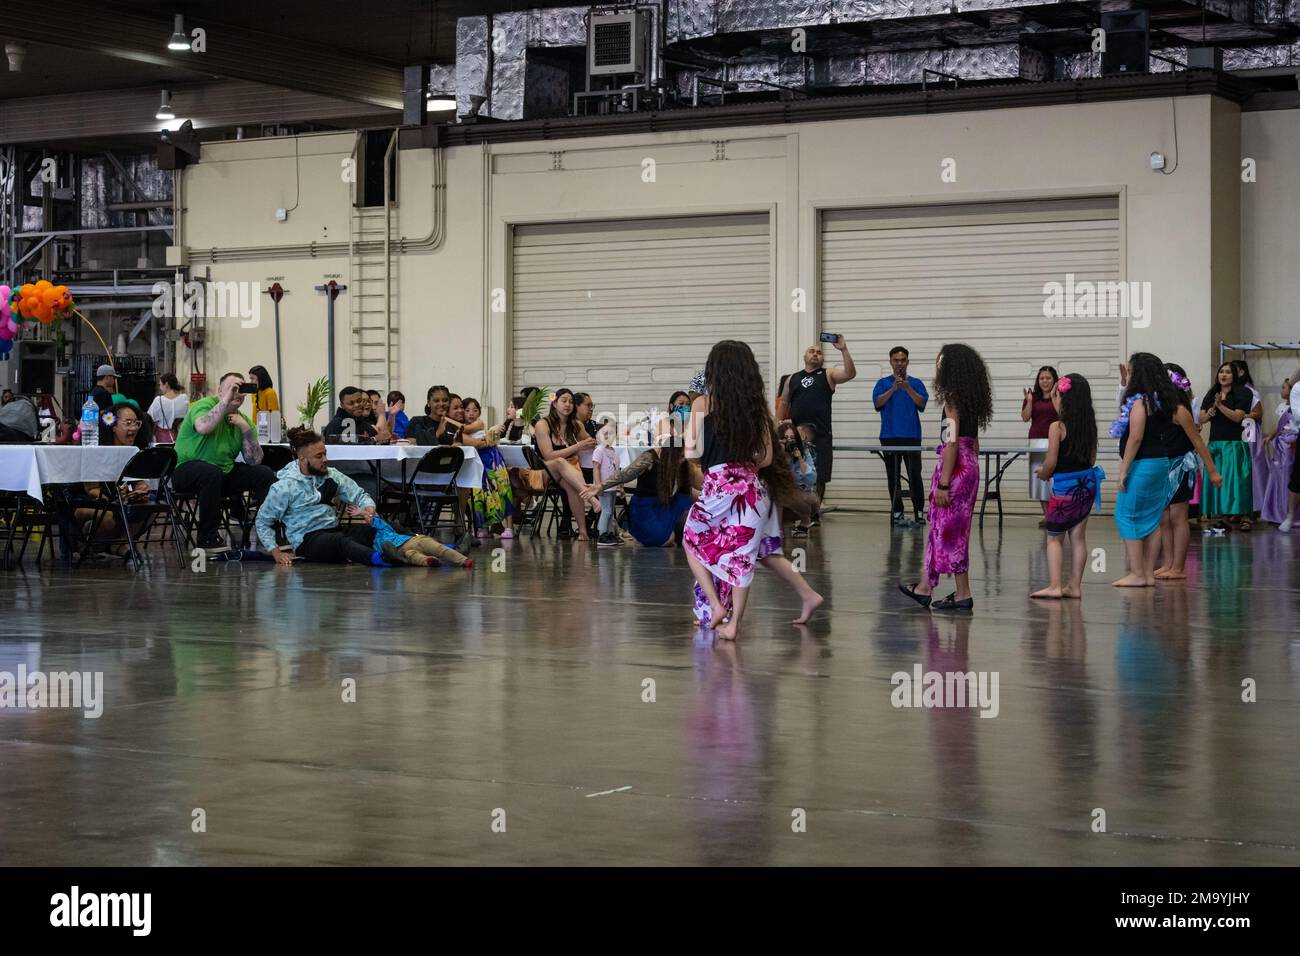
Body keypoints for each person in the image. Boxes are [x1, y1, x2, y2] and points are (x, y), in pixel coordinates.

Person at [683, 340, 823, 640]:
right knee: (762, 550)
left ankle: (725, 615)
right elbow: (768, 458)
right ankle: (808, 595)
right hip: (754, 490)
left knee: (693, 540)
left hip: (719, 487)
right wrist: (744, 463)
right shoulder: (757, 409)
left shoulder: (702, 404)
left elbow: (691, 454)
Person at [255, 426, 471, 568]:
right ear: (302, 459)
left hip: (333, 529)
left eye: (325, 454)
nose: (325, 460)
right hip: (307, 541)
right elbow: (263, 521)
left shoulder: (331, 475)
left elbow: (358, 494)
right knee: (343, 542)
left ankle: (447, 551)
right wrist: (275, 552)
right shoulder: (283, 487)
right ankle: (384, 560)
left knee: (385, 528)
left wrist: (368, 508)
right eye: (319, 456)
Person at [899, 343, 992, 612]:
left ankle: (936, 589)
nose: (937, 366)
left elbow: (951, 444)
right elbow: (973, 444)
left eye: (940, 362)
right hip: (970, 466)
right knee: (954, 531)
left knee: (944, 528)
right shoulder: (971, 400)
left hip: (955, 467)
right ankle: (943, 590)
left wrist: (944, 482)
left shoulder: (953, 401)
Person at [172, 371, 277, 554]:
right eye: (232, 388)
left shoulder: (242, 420)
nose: (237, 393)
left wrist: (245, 429)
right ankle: (207, 538)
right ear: (220, 392)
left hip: (221, 474)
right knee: (210, 472)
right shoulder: (204, 405)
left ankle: (272, 530)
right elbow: (203, 427)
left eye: (241, 389)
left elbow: (255, 460)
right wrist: (226, 401)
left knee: (264, 473)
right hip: (186, 469)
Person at [584, 397, 699, 548]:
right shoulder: (650, 458)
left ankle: (681, 532)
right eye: (681, 456)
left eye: (685, 456)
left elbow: (698, 486)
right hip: (645, 509)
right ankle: (646, 532)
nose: (683, 460)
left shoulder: (682, 465)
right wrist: (601, 486)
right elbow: (626, 473)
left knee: (687, 499)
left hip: (663, 506)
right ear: (669, 454)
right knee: (667, 539)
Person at [1109, 352, 1183, 587]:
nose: (1128, 375)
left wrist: (1123, 470)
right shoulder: (1162, 399)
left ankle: (1138, 572)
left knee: (1125, 514)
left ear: (1139, 374)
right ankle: (1148, 574)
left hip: (1143, 464)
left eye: (1131, 371)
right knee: (1152, 518)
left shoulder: (1141, 401)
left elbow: (1136, 437)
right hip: (1160, 462)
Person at [1031, 374, 1100, 599]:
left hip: (1064, 488)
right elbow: (1091, 460)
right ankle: (1074, 586)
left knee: (1054, 538)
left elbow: (1050, 462)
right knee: (1078, 538)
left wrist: (1043, 473)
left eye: (1056, 396)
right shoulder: (1090, 427)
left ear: (1064, 399)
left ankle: (1054, 586)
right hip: (1087, 484)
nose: (1053, 400)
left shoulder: (1056, 427)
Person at [778, 335, 856, 522]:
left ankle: (815, 513)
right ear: (804, 356)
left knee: (819, 476)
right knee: (795, 472)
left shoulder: (828, 374)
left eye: (819, 352)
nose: (816, 354)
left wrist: (843, 349)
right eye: (812, 351)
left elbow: (850, 374)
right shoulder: (792, 379)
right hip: (796, 437)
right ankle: (796, 510)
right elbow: (784, 403)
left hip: (821, 435)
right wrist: (777, 427)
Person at [1153, 364, 1220, 579]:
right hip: (1163, 467)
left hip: (1180, 466)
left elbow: (1198, 442)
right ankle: (1169, 562)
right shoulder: (1159, 408)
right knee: (1163, 519)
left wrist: (1212, 471)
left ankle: (1179, 567)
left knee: (1177, 517)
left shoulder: (1180, 411)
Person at [74, 401, 153, 551]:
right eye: (128, 423)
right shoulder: (96, 452)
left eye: (137, 423)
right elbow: (91, 490)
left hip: (120, 503)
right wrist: (115, 498)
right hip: (93, 502)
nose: (134, 428)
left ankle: (120, 542)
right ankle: (89, 546)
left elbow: (138, 483)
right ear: (113, 426)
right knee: (107, 516)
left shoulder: (134, 452)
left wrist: (140, 489)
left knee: (153, 507)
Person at [872, 346, 928, 528]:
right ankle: (897, 511)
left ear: (907, 362)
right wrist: (894, 388)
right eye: (896, 360)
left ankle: (919, 511)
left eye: (903, 360)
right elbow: (877, 403)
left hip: (911, 436)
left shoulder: (917, 383)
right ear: (890, 362)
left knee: (914, 475)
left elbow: (921, 403)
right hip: (889, 436)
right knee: (893, 476)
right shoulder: (882, 383)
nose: (899, 363)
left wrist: (908, 388)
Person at [534, 388, 600, 541]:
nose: (568, 405)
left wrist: (598, 438)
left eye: (571, 402)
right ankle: (591, 498)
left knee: (572, 486)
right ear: (555, 403)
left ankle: (583, 532)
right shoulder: (542, 424)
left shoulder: (576, 425)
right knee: (559, 461)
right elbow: (548, 455)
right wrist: (577, 446)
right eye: (564, 401)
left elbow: (590, 442)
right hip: (543, 472)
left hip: (566, 473)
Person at [1198, 362, 1255, 532]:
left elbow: (1238, 417)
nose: (1223, 375)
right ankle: (1224, 518)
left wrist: (1220, 406)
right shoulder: (1212, 393)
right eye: (1221, 371)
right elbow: (1201, 419)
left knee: (1238, 482)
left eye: (1228, 372)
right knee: (1219, 482)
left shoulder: (1243, 392)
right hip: (1215, 444)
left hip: (1234, 443)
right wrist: (1209, 413)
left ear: (1234, 376)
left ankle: (1245, 517)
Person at [461, 397, 514, 538]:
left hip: (492, 459)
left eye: (475, 410)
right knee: (480, 495)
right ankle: (482, 525)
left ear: (479, 412)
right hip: (477, 462)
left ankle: (508, 527)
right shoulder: (461, 429)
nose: (471, 413)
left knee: (502, 490)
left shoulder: (479, 424)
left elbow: (491, 440)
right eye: (467, 410)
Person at [1022, 365, 1060, 524]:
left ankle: (1057, 514)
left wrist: (1054, 398)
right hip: (1036, 441)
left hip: (1055, 440)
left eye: (1048, 378)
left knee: (1054, 479)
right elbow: (1025, 417)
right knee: (1040, 481)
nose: (1045, 381)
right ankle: (1048, 516)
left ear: (1054, 380)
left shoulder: (1059, 395)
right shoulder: (1033, 396)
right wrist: (1029, 402)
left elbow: (1064, 415)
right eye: (1042, 378)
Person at [1260, 377, 1297, 528]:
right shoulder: (1282, 406)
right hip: (1281, 445)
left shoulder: (1296, 407)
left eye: (1284, 387)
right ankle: (1276, 511)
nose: (1281, 390)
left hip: (1290, 445)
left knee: (1288, 476)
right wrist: (1271, 436)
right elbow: (1279, 425)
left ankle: (1288, 512)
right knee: (1277, 477)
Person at [323, 386, 388, 444]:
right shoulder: (336, 424)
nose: (357, 405)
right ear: (342, 405)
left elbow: (379, 437)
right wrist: (374, 439)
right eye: (351, 403)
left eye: (359, 401)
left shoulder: (362, 421)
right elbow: (344, 446)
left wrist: (385, 438)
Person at [146, 372, 189, 443]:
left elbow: (150, 420)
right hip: (182, 436)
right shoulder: (184, 398)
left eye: (160, 384)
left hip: (163, 439)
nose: (160, 387)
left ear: (166, 384)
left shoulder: (158, 400)